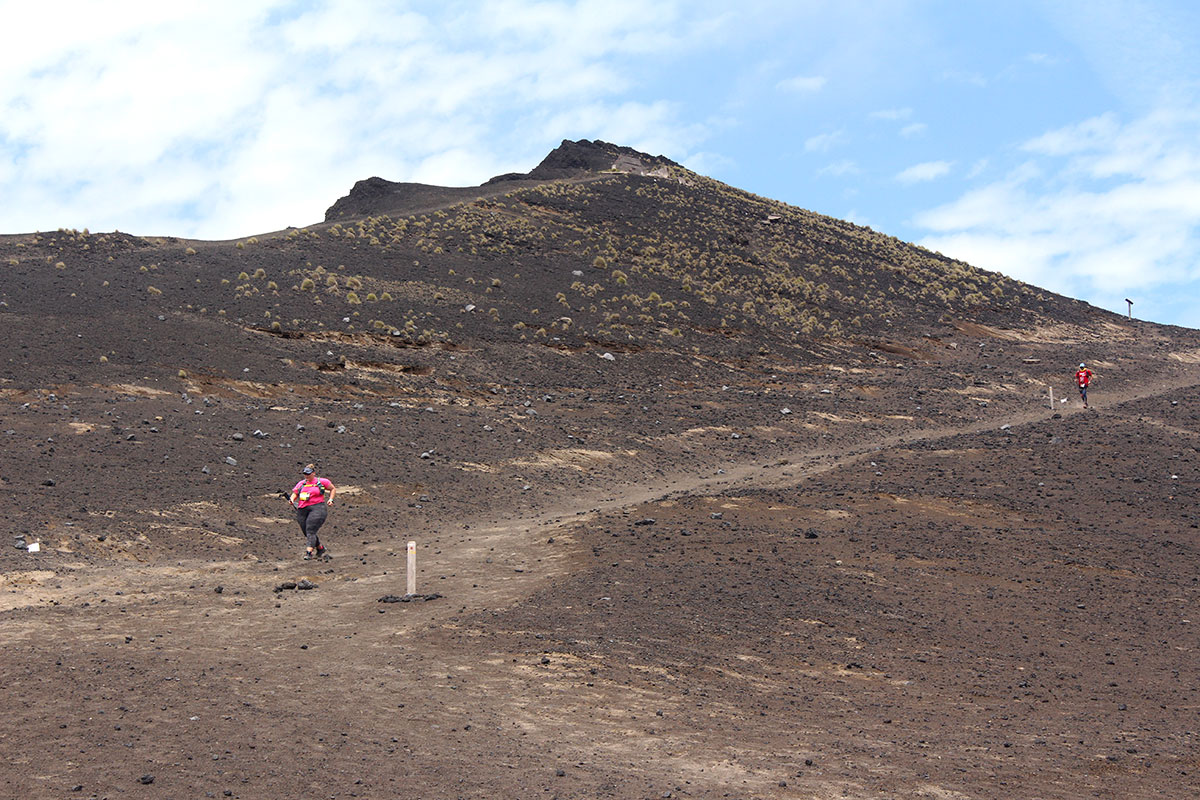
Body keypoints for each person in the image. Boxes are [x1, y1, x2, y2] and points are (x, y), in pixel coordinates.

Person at [289, 463, 336, 560]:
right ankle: (320, 548)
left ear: (313, 473)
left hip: (317, 508)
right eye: (305, 474)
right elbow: (295, 493)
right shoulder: (301, 483)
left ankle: (309, 552)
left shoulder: (322, 482)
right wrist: (292, 499)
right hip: (302, 509)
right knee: (307, 532)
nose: (306, 476)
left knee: (310, 530)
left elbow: (332, 489)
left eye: (308, 474)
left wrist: (331, 499)